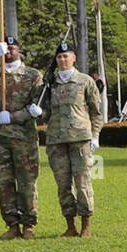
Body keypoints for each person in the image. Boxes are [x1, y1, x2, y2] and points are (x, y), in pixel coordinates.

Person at [0, 38, 45, 239]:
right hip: (0, 137)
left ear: (20, 50)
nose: (9, 52)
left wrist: (14, 116)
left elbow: (38, 107)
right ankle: (12, 224)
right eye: (5, 49)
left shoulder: (32, 75)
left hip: (24, 137)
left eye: (12, 48)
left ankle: (29, 224)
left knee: (27, 182)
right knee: (3, 182)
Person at [43, 40, 103, 236]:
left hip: (80, 139)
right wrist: (38, 110)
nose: (62, 59)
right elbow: (44, 111)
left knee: (83, 182)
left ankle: (86, 225)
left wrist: (95, 136)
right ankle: (70, 226)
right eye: (59, 57)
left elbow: (96, 112)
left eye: (66, 56)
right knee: (63, 185)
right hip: (56, 140)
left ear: (74, 58)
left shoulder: (85, 81)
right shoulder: (49, 84)